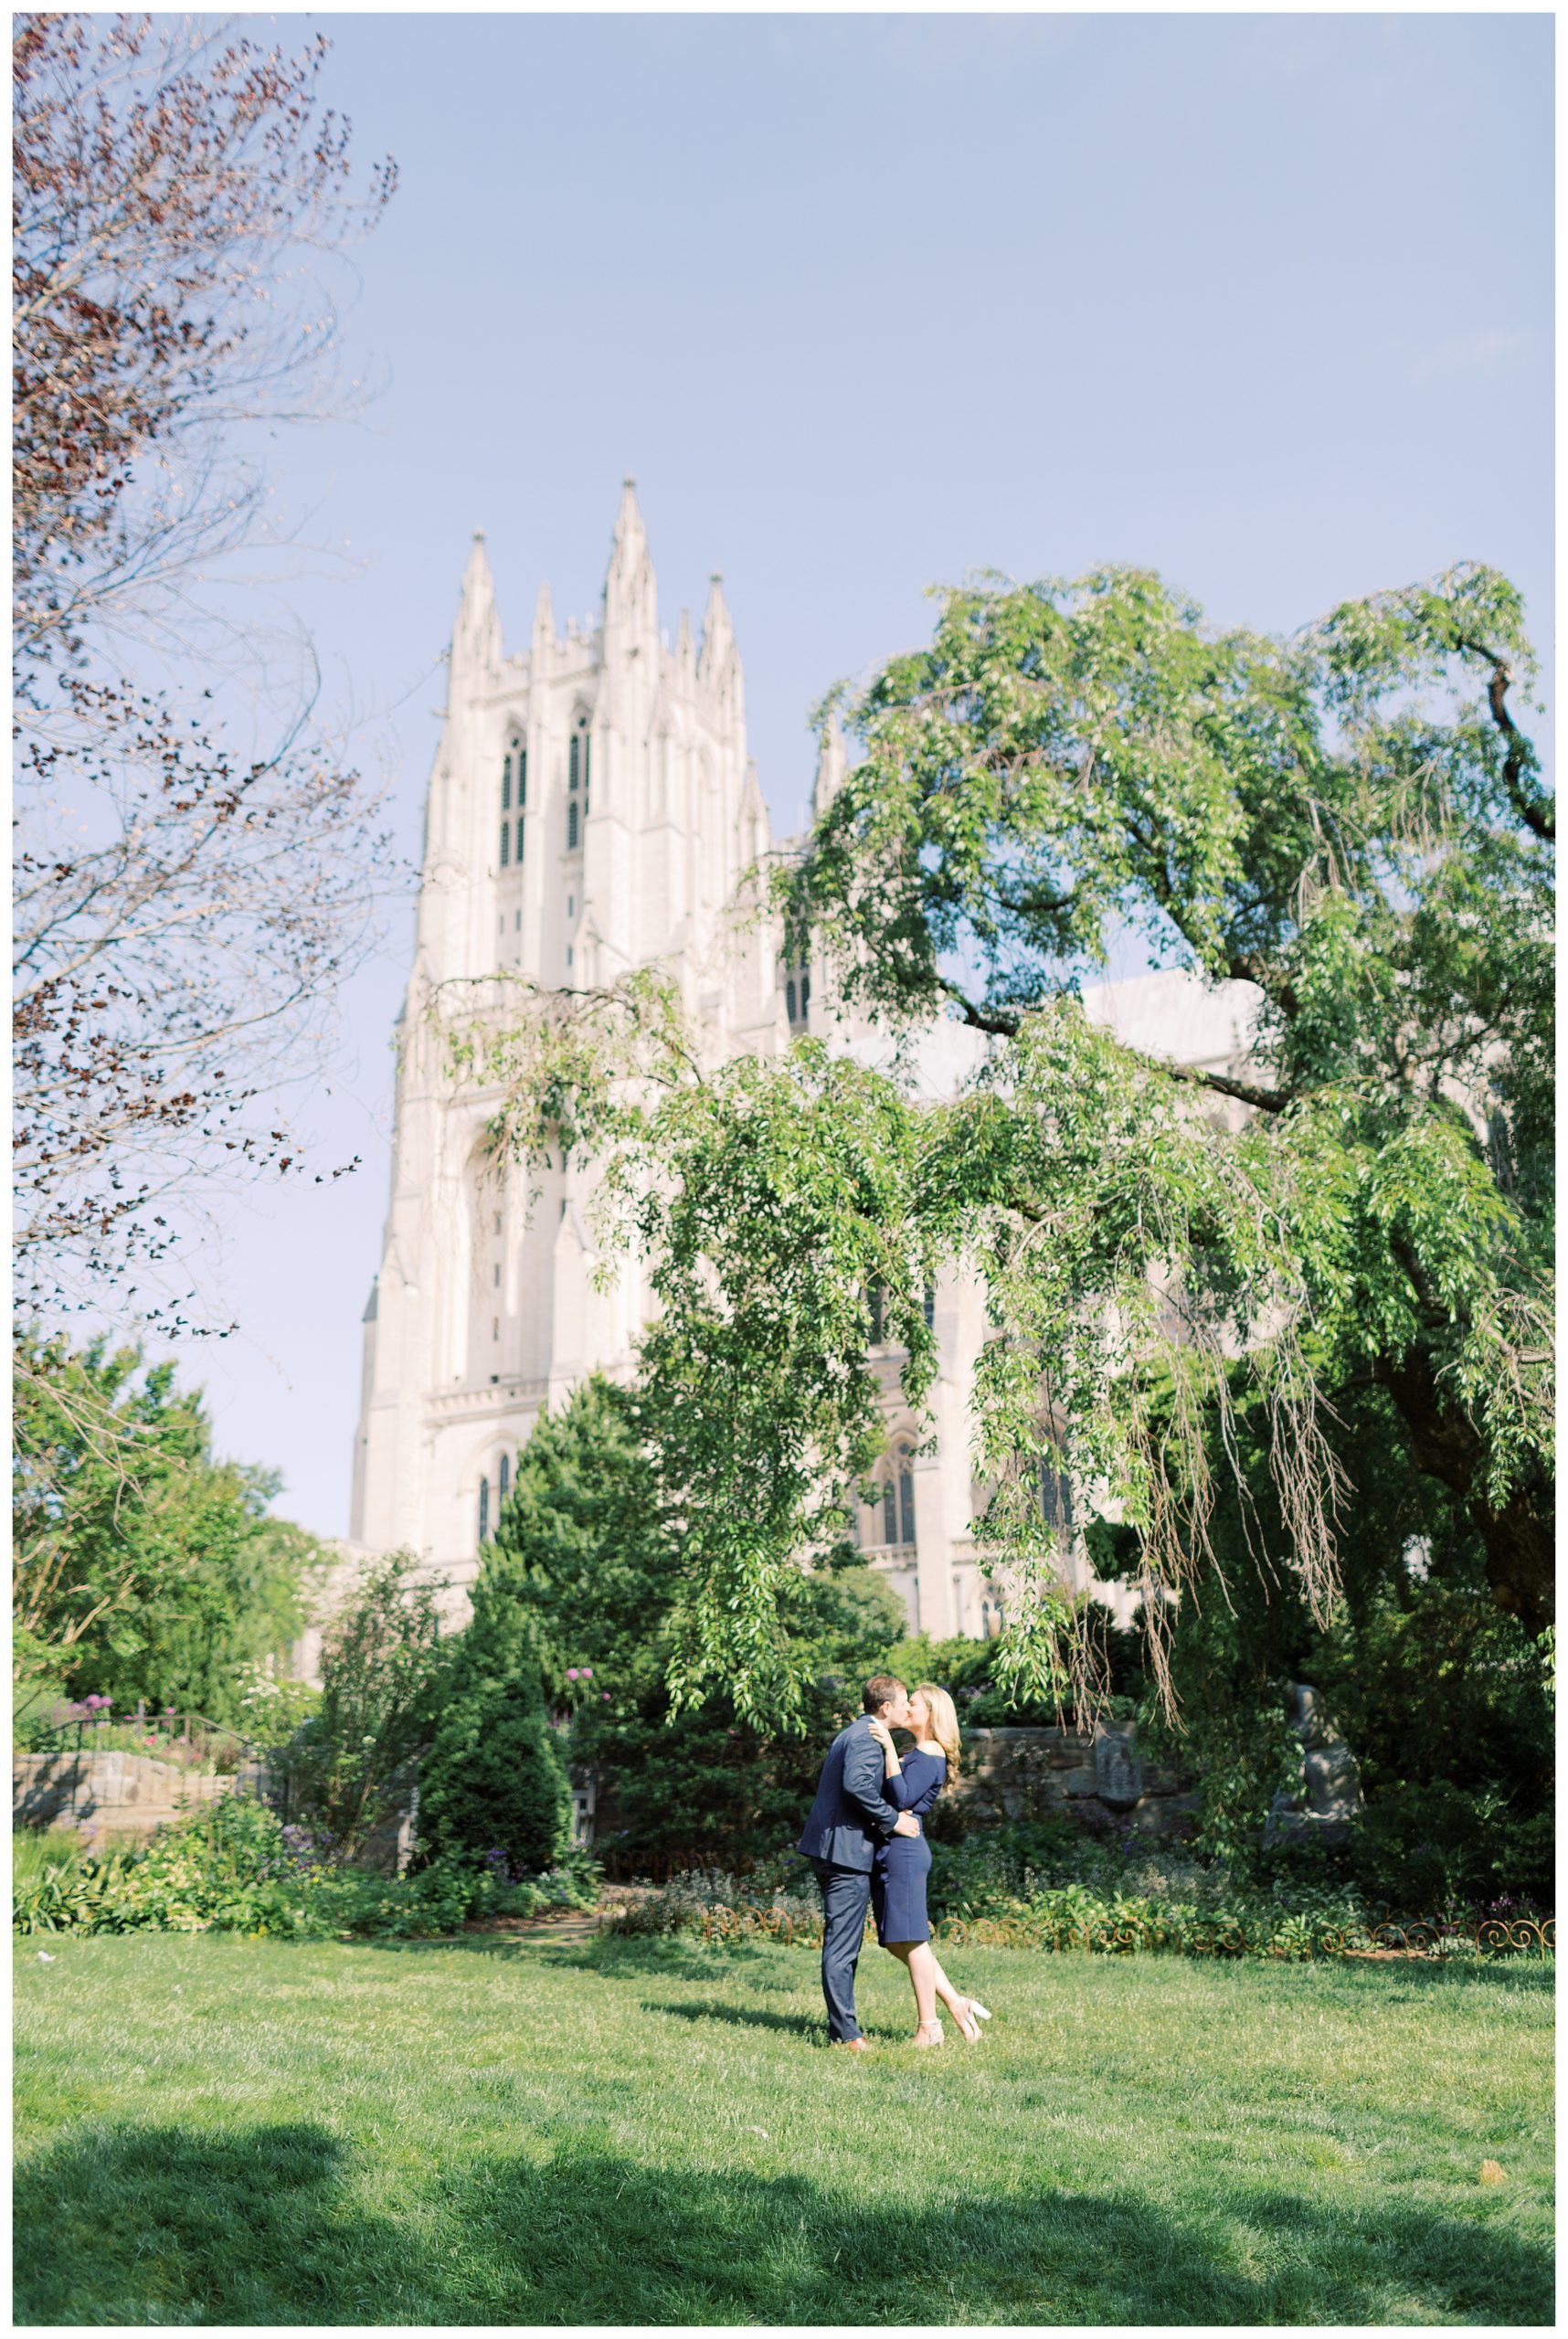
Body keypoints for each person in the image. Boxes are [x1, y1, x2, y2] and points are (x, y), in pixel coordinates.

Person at [795, 1674, 922, 2053]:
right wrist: (893, 1819)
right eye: (903, 1703)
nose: (906, 1709)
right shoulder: (867, 1737)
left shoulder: (856, 1731)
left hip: (834, 1849)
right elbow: (857, 1786)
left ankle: (844, 2029)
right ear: (886, 1708)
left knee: (842, 1942)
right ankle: (846, 2035)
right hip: (844, 1854)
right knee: (842, 1946)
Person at [867, 1682, 993, 2048]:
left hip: (906, 1853)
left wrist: (890, 1750)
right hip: (896, 1849)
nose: (907, 1708)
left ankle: (929, 2027)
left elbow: (903, 1796)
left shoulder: (930, 1752)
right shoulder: (919, 1752)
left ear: (932, 1714)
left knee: (913, 1940)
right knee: (895, 1941)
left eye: (915, 1704)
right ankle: (957, 2003)